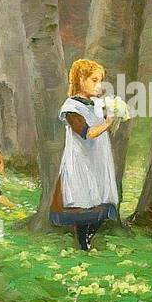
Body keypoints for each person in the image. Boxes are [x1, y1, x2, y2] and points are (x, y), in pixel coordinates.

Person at [50, 58, 120, 251]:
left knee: (102, 195)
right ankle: (83, 240)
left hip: (99, 157)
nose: (99, 85)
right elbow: (87, 133)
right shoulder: (71, 107)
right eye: (94, 80)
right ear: (81, 80)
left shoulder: (97, 103)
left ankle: (90, 235)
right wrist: (107, 123)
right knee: (83, 196)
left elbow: (104, 123)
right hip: (81, 158)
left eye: (100, 81)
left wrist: (113, 115)